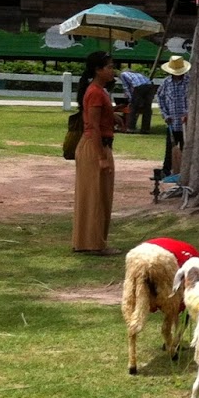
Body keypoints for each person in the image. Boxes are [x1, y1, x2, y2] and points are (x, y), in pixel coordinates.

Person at [72, 50, 119, 255]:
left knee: (97, 195)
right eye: (109, 67)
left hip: (98, 145)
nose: (112, 70)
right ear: (98, 70)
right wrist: (101, 157)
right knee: (96, 196)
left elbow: (98, 119)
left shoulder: (100, 91)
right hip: (94, 147)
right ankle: (93, 244)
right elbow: (94, 126)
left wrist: (114, 116)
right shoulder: (95, 92)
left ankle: (88, 241)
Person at [156, 55, 190, 175]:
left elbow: (194, 99)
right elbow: (160, 98)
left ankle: (185, 171)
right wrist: (165, 114)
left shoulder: (190, 82)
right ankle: (166, 170)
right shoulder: (166, 83)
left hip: (187, 124)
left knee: (186, 148)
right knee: (170, 148)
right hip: (172, 122)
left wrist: (188, 113)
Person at [117, 67, 157, 134]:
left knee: (133, 108)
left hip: (139, 87)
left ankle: (131, 128)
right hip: (150, 86)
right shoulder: (138, 74)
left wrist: (130, 99)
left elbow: (126, 87)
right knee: (147, 109)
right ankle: (145, 129)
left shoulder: (123, 74)